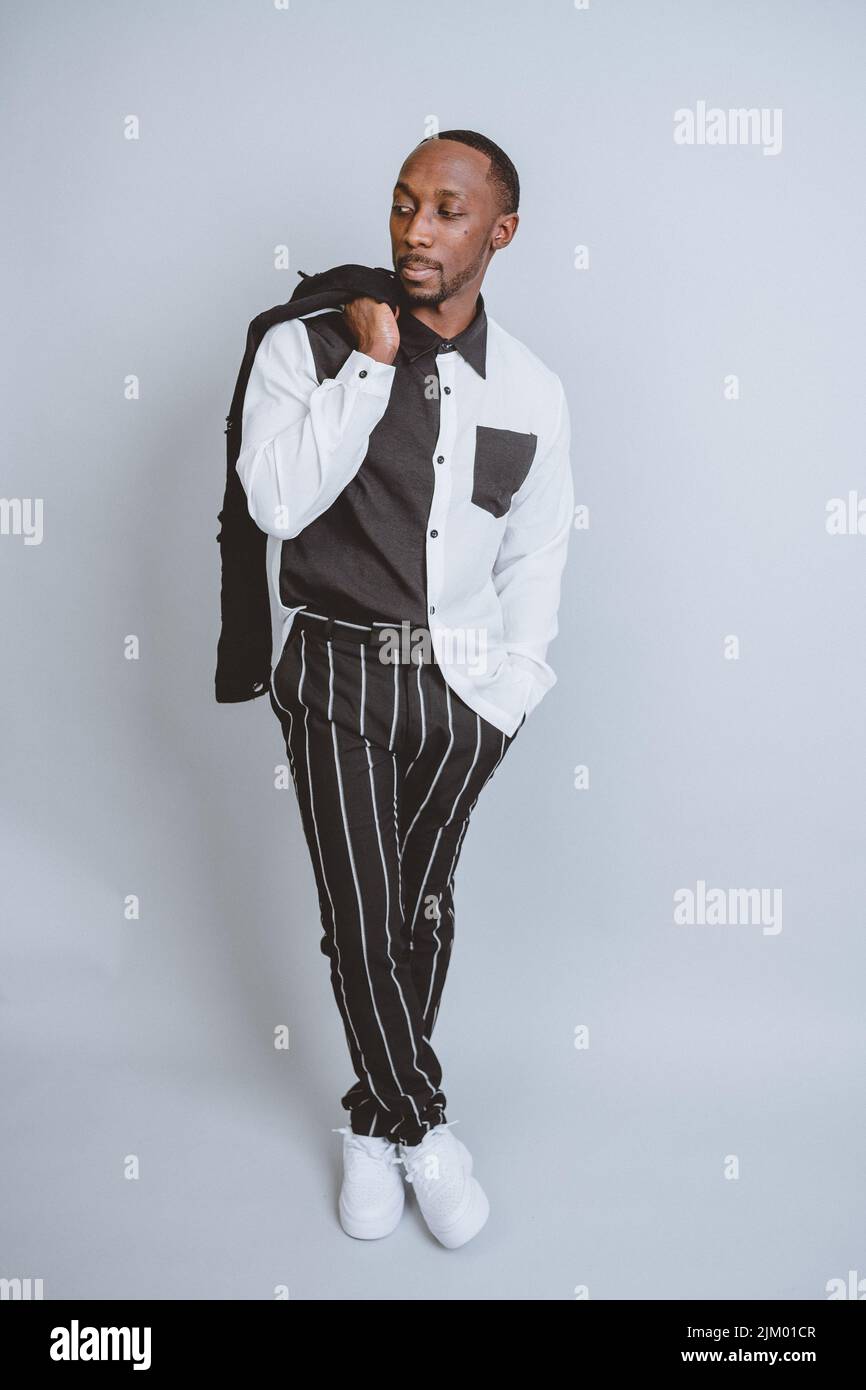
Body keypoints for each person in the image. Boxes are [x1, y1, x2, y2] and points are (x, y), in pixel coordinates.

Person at [234, 129, 574, 1248]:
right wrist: (371, 366)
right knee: (361, 915)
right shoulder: (313, 341)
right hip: (334, 670)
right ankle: (421, 1124)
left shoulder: (529, 388)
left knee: (420, 910)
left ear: (499, 231)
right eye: (401, 205)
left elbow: (534, 556)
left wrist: (509, 700)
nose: (414, 231)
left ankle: (369, 1125)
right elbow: (277, 501)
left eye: (445, 211)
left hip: (461, 693)